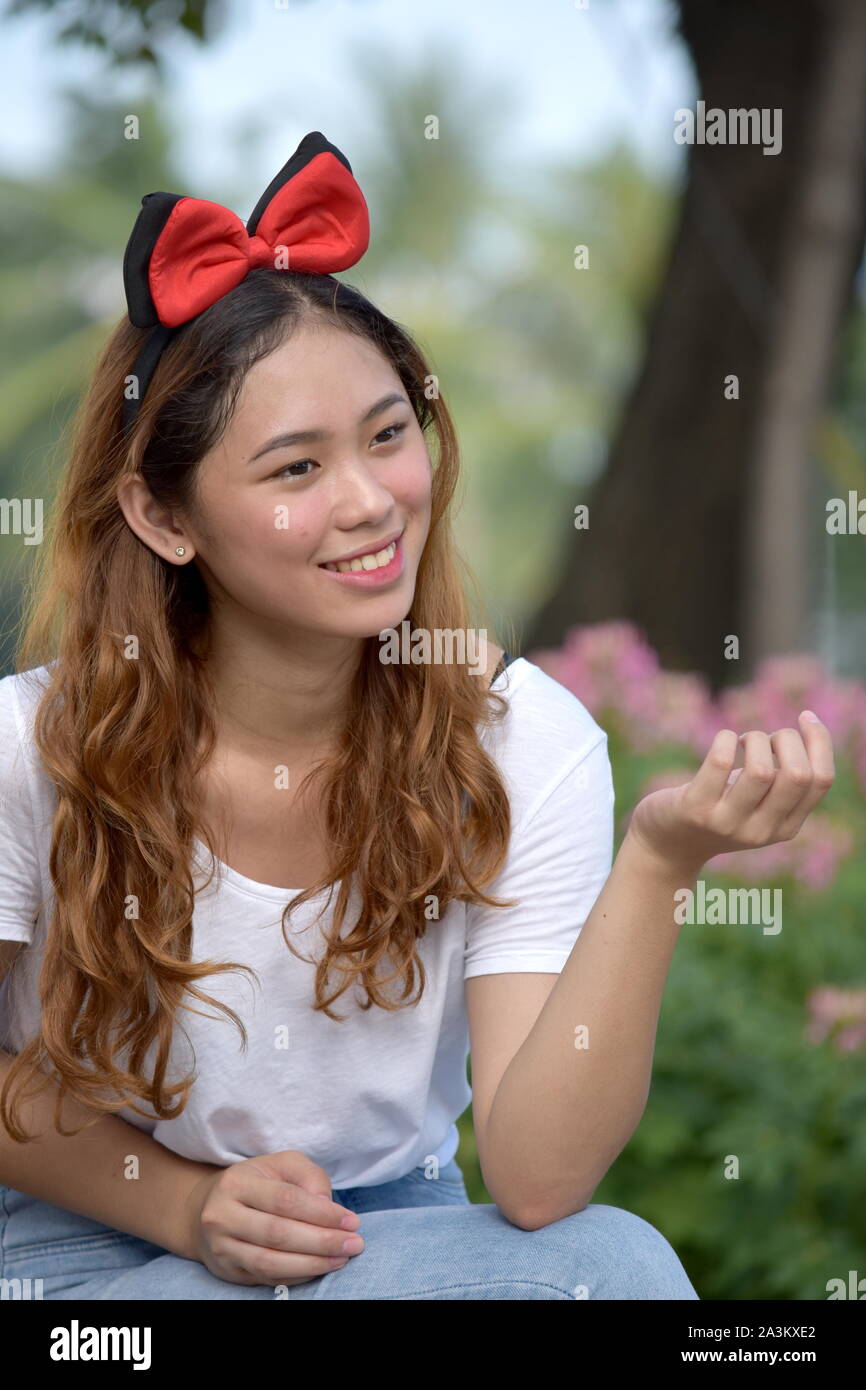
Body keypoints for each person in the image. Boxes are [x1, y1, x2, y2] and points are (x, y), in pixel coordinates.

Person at [0, 135, 833, 1301]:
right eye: (294, 469)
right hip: (76, 1245)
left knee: (613, 1266)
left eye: (389, 436)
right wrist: (184, 1204)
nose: (369, 501)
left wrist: (661, 859)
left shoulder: (520, 738)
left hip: (384, 1247)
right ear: (161, 512)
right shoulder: (25, 749)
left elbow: (537, 1184)